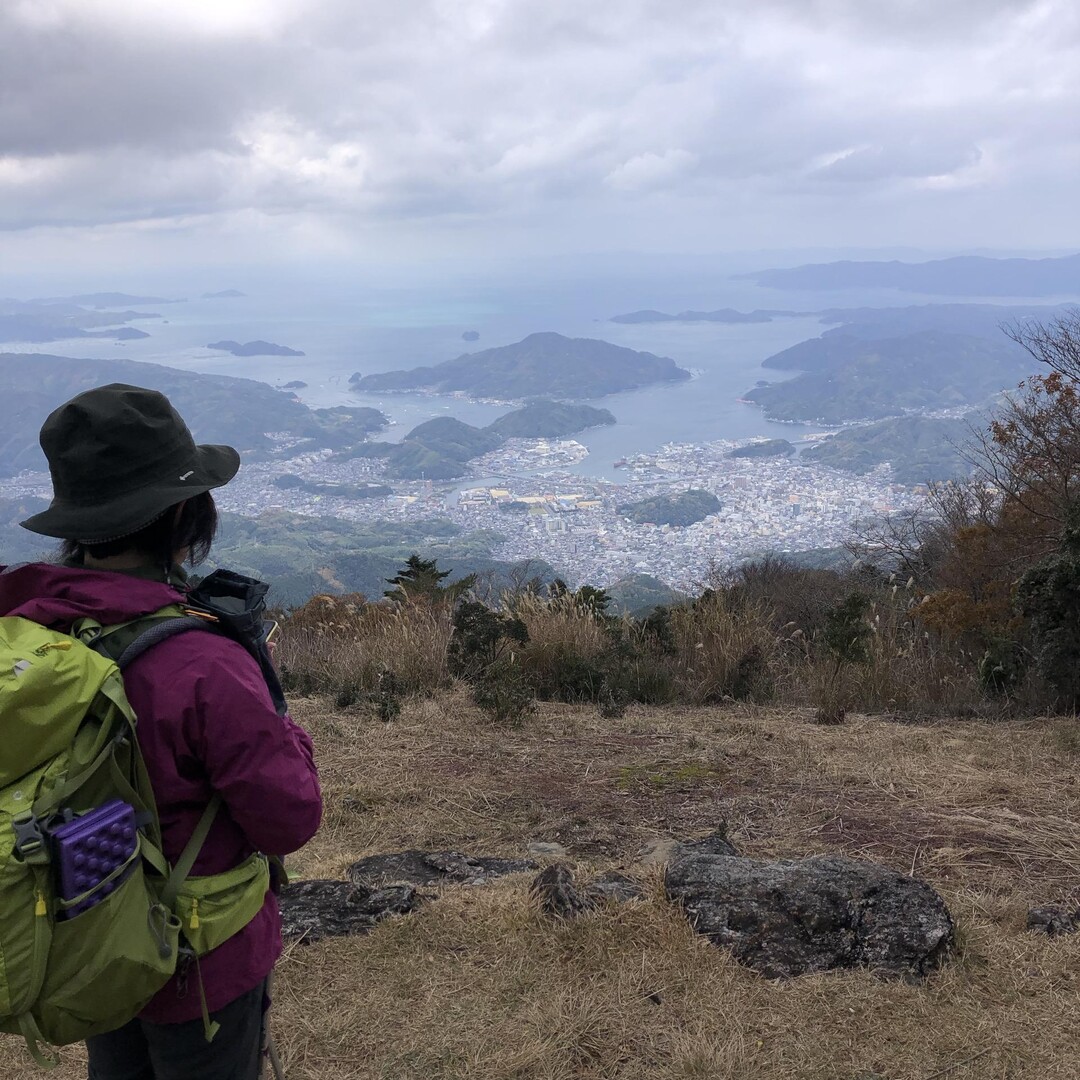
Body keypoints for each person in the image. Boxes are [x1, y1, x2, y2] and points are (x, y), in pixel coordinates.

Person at [0, 384, 323, 1080]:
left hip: (89, 933)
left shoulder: (29, 631)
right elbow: (289, 818)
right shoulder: (203, 663)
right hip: (201, 958)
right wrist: (287, 727)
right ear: (182, 513)